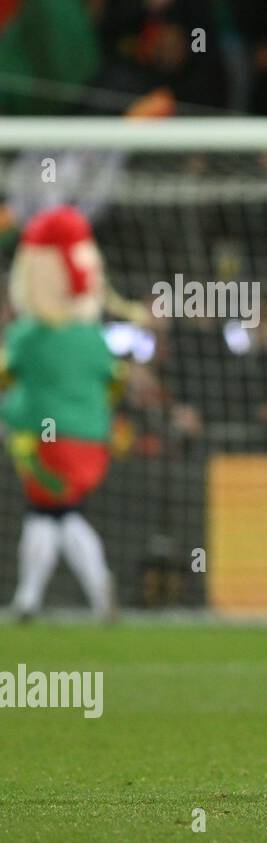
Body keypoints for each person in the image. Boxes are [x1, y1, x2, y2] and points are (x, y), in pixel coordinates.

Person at [2, 205, 121, 620]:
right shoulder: (93, 337)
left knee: (48, 512)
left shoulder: (28, 335)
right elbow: (112, 379)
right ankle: (92, 592)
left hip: (43, 438)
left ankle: (30, 599)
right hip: (92, 439)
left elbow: (5, 374)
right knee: (64, 512)